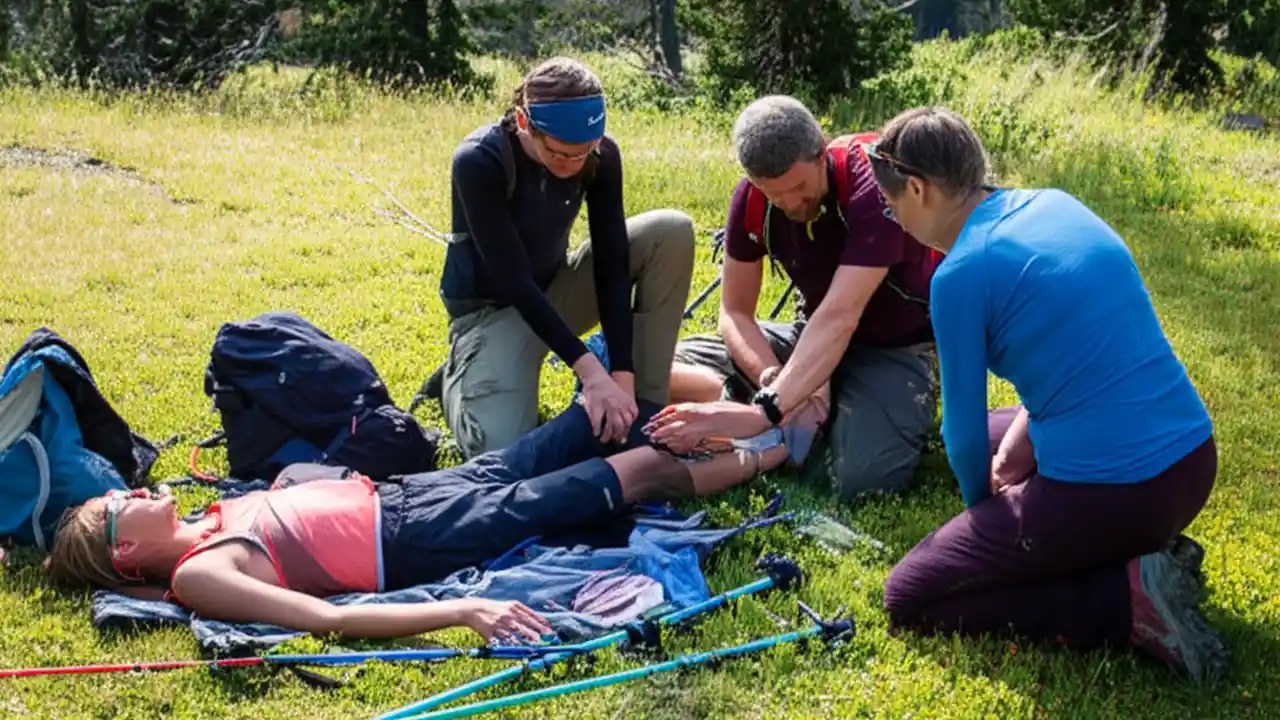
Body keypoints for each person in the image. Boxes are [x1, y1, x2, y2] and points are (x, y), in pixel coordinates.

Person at [868, 106, 1228, 682]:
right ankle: (1137, 555)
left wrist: (988, 521)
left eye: (893, 207)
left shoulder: (959, 275)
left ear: (918, 189)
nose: (895, 220)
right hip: (1190, 460)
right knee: (996, 431)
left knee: (911, 594)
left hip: (1125, 492)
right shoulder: (1055, 203)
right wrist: (1014, 449)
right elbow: (1081, 351)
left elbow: (958, 439)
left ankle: (1124, 602)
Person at [43, 402, 788, 643]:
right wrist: (463, 607)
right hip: (420, 541)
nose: (131, 494)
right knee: (634, 474)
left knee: (593, 419)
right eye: (118, 509)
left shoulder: (210, 516)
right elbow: (322, 617)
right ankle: (776, 447)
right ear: (130, 549)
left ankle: (741, 410)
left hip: (417, 491)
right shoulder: (200, 574)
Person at [658, 95, 939, 499]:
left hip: (894, 346)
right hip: (809, 333)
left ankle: (766, 427)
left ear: (822, 152)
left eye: (801, 188)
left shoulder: (875, 185)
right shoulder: (751, 199)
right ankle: (789, 418)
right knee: (655, 367)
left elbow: (841, 316)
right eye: (774, 194)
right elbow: (735, 313)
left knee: (862, 482)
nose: (790, 204)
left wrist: (769, 407)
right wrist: (774, 378)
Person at [439, 56, 695, 458]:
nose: (573, 164)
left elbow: (612, 263)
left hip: (555, 289)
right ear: (525, 123)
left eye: (584, 153)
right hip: (495, 314)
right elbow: (514, 280)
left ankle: (644, 412)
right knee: (502, 453)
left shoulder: (599, 157)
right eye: (559, 154)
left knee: (671, 231)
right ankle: (460, 374)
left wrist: (622, 378)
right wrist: (591, 372)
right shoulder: (479, 161)